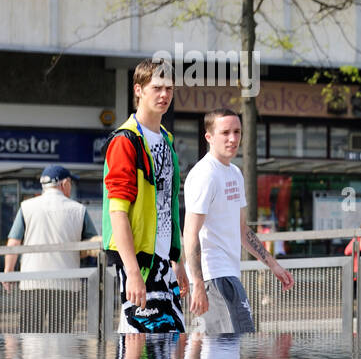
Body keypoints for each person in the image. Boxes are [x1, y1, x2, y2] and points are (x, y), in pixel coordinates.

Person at [183, 108, 294, 333]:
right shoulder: (205, 175)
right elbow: (190, 232)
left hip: (230, 274)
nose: (233, 139)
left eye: (237, 132)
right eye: (225, 133)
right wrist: (198, 284)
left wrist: (273, 264)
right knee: (225, 350)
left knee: (236, 348)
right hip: (211, 278)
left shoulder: (235, 172)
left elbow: (242, 230)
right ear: (209, 137)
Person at [102, 58, 188, 333]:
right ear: (138, 90)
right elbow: (118, 212)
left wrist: (178, 260)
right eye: (157, 88)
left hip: (163, 260)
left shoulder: (166, 140)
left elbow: (167, 206)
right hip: (139, 261)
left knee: (171, 351)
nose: (165, 95)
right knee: (139, 352)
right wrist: (132, 272)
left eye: (170, 89)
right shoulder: (125, 141)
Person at [3, 164, 100, 331]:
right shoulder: (78, 210)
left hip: (32, 284)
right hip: (67, 285)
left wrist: (8, 272)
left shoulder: (26, 207)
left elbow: (13, 243)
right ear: (64, 184)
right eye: (70, 183)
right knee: (62, 335)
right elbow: (93, 242)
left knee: (30, 334)